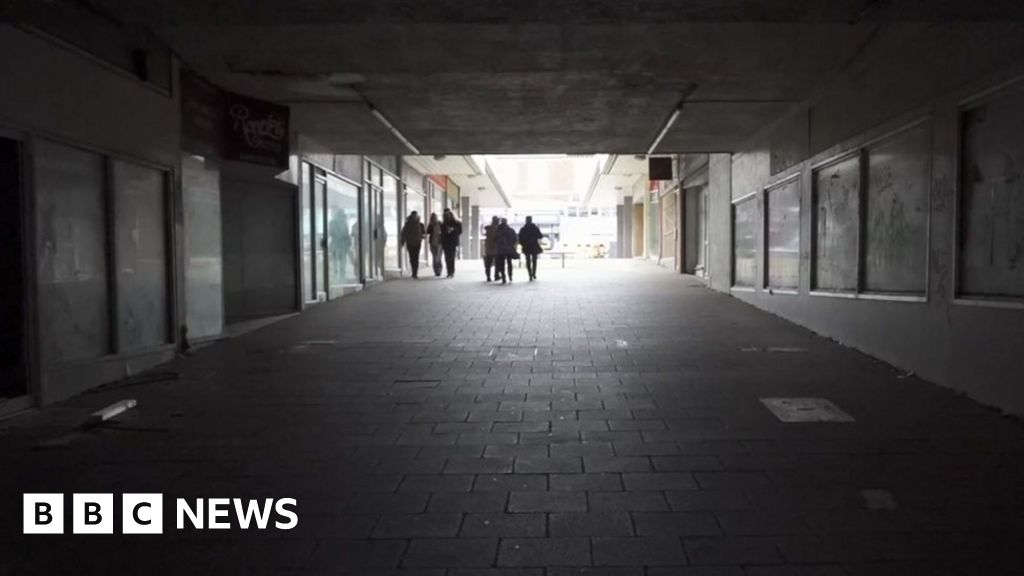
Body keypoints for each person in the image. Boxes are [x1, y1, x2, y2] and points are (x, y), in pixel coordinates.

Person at [517, 215, 544, 281]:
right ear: (531, 220)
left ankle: (530, 274)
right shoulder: (535, 228)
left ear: (526, 220)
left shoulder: (523, 229)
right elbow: (540, 236)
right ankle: (533, 273)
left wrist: (523, 244)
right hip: (534, 246)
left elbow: (520, 239)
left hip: (526, 247)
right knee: (534, 261)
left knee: (528, 261)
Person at [400, 211, 425, 278]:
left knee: (416, 258)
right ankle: (414, 272)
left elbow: (423, 233)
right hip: (410, 243)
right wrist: (402, 242)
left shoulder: (420, 224)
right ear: (411, 216)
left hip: (417, 243)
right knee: (412, 258)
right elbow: (404, 233)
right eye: (413, 216)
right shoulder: (407, 224)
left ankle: (415, 273)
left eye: (415, 216)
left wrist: (422, 237)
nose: (414, 217)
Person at [440, 208, 463, 278]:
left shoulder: (457, 223)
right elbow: (442, 233)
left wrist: (453, 230)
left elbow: (460, 231)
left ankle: (452, 271)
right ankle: (448, 271)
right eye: (446, 216)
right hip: (446, 242)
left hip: (453, 242)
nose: (447, 217)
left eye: (449, 216)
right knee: (447, 258)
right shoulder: (444, 224)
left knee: (452, 257)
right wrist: (446, 231)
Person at [495, 217, 518, 284]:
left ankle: (503, 277)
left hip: (501, 249)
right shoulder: (510, 230)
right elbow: (515, 239)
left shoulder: (498, 231)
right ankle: (510, 276)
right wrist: (512, 245)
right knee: (509, 263)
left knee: (502, 264)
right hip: (509, 249)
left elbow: (494, 239)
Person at [483, 216, 499, 281]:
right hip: (495, 249)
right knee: (497, 263)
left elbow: (487, 238)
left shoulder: (488, 229)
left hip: (489, 249)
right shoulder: (497, 229)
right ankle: (496, 276)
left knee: (488, 264)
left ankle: (488, 277)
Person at [426, 212, 443, 277]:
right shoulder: (431, 225)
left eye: (435, 217)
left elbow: (443, 231)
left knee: (438, 257)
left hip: (439, 243)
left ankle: (439, 270)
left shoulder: (440, 223)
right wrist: (431, 225)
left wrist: (440, 232)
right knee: (434, 257)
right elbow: (427, 232)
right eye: (433, 218)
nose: (434, 219)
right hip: (432, 243)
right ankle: (436, 271)